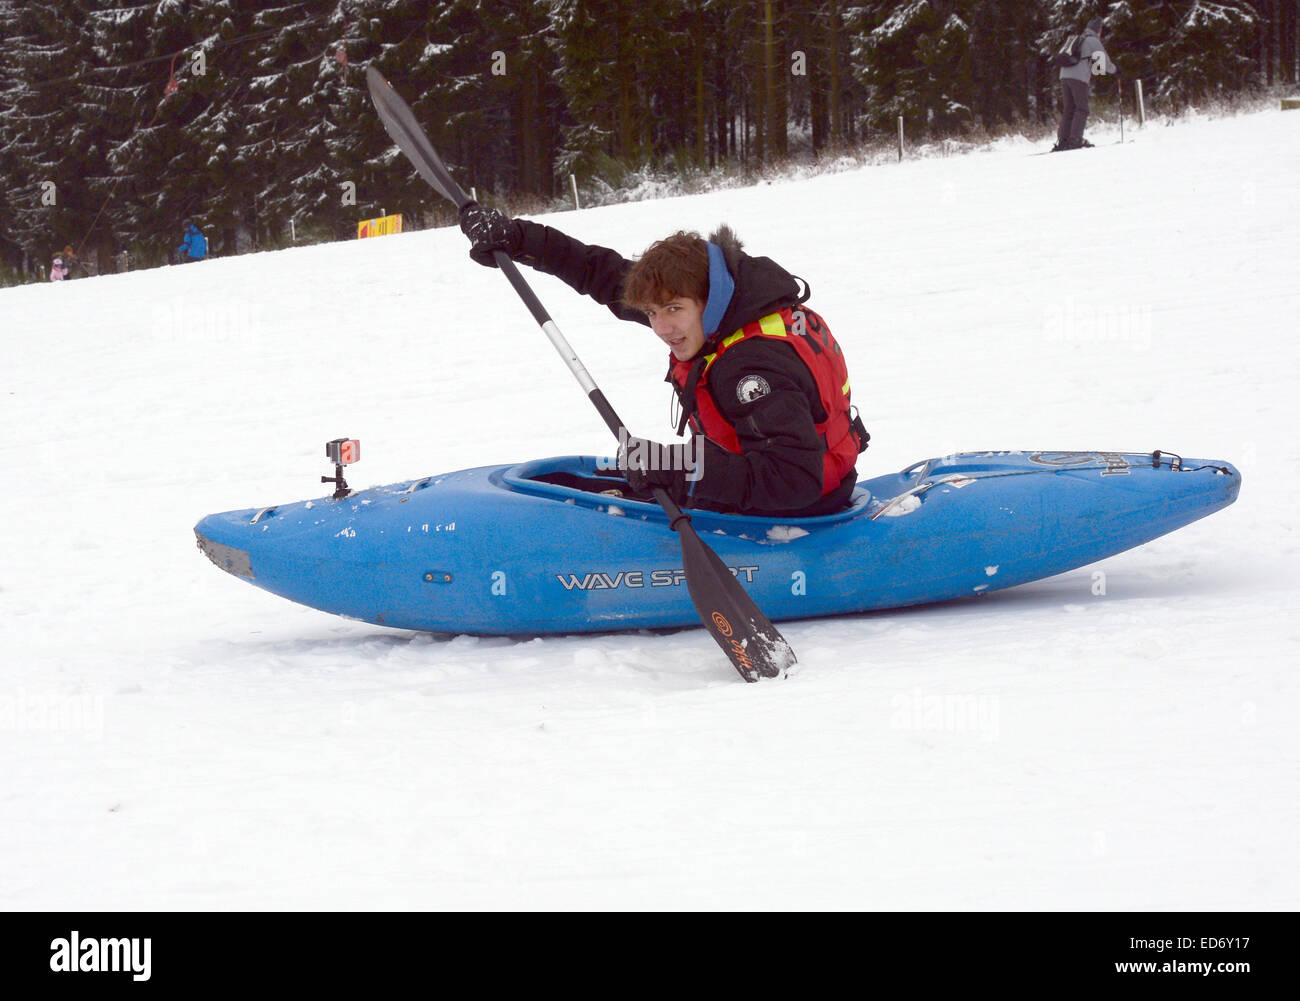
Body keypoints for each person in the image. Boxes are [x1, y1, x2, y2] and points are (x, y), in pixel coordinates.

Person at [458, 204, 869, 518]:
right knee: (612, 482)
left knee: (617, 501)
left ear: (710, 298)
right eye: (653, 313)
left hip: (801, 506)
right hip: (766, 474)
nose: (661, 327)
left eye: (672, 310)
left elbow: (793, 482)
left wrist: (682, 469)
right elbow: (602, 273)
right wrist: (517, 238)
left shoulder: (751, 369)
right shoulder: (726, 303)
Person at [1053, 17, 1117, 152]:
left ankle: (1063, 141)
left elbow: (1097, 68)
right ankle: (1075, 139)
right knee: (1081, 109)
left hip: (1064, 76)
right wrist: (1115, 70)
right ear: (1098, 30)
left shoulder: (1078, 38)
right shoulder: (1093, 40)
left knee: (1069, 108)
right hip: (1078, 78)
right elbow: (1102, 64)